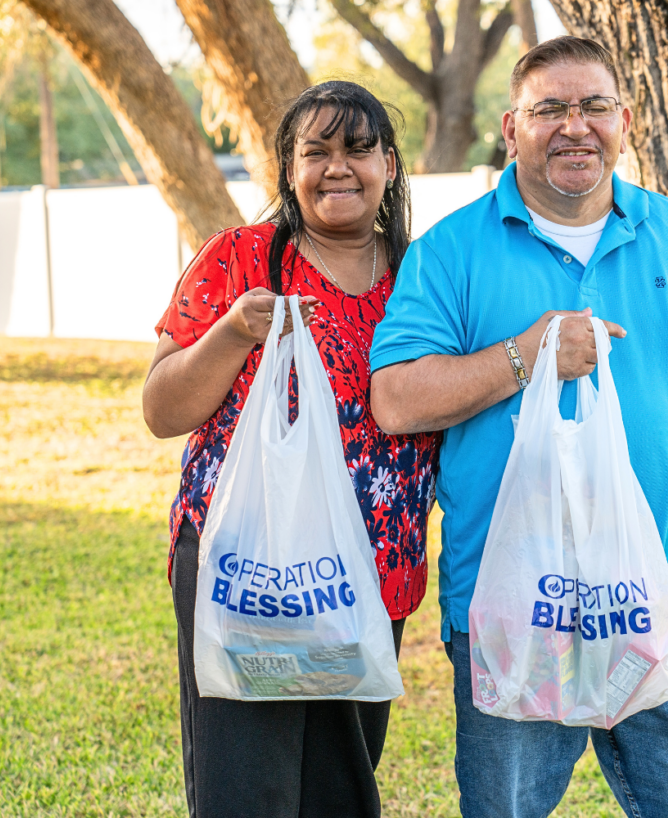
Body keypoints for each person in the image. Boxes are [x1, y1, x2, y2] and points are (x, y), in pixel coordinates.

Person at [369, 37, 668, 818]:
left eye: (594, 106)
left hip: (654, 585)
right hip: (507, 595)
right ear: (510, 127)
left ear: (625, 120)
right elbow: (395, 398)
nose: (574, 127)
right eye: (549, 109)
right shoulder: (449, 251)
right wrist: (529, 353)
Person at [142, 81, 438, 818]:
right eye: (318, 152)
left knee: (342, 788)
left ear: (390, 166)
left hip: (368, 576)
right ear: (289, 170)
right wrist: (235, 332)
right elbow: (161, 408)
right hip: (249, 568)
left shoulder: (422, 279)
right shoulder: (240, 260)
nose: (338, 167)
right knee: (248, 791)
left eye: (359, 149)